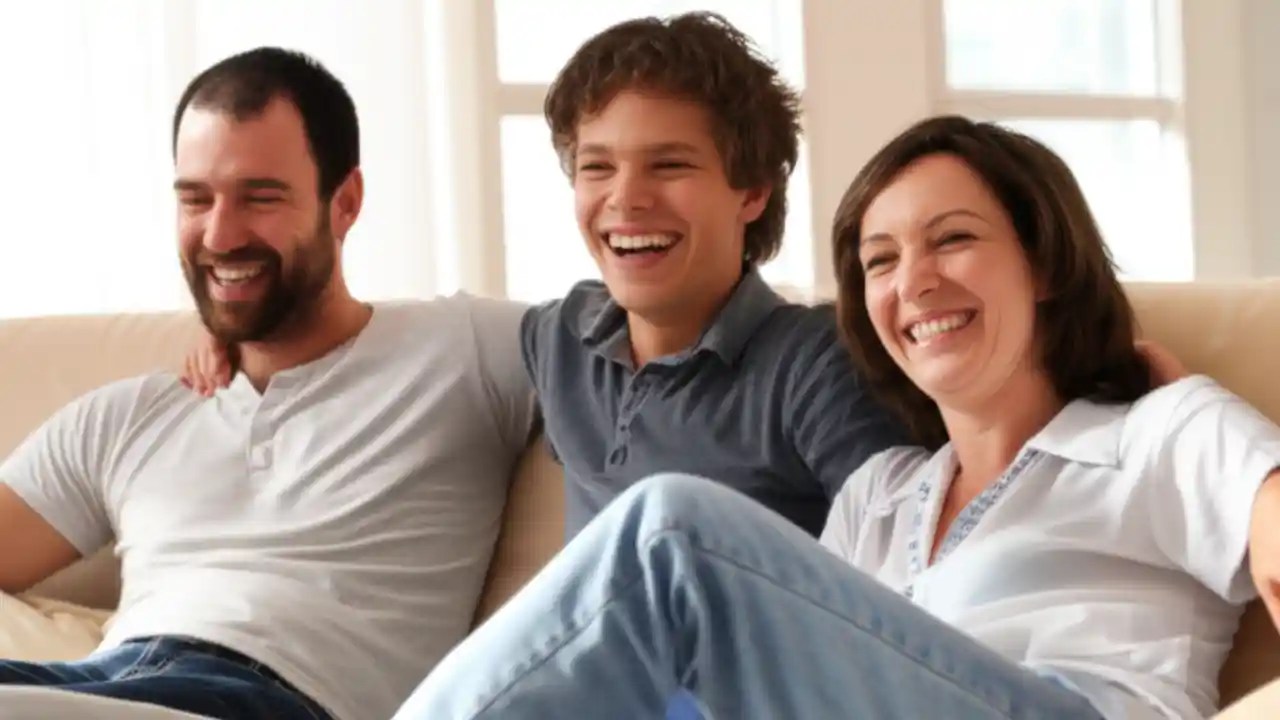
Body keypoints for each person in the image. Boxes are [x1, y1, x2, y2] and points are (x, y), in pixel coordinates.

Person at [389, 116, 1280, 720]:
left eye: (954, 239)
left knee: (674, 535)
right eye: (880, 259)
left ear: (1043, 262)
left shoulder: (1158, 429)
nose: (914, 282)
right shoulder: (883, 495)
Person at [0, 47, 535, 720]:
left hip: (270, 699)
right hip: (107, 685)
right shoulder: (129, 416)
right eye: (196, 199)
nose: (221, 235)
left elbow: (660, 329)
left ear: (345, 203)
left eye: (260, 198)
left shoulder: (467, 350)